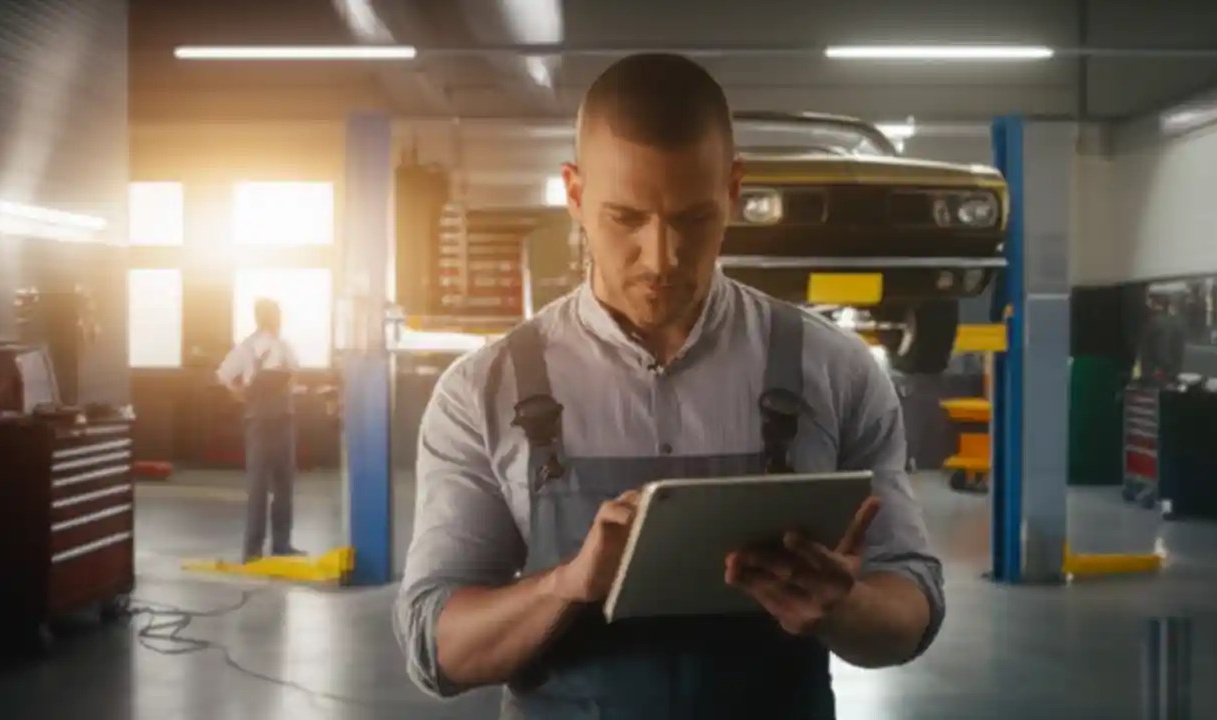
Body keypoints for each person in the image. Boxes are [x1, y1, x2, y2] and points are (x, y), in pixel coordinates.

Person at [395, 53, 943, 719]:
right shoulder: (485, 391)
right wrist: (569, 586)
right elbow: (437, 646)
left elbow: (912, 603)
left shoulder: (834, 371)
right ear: (574, 194)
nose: (662, 259)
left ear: (734, 188)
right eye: (625, 218)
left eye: (691, 219)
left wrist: (845, 607)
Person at [217, 298, 303, 562]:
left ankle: (271, 547)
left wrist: (241, 394)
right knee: (269, 486)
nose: (279, 320)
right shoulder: (252, 348)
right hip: (269, 422)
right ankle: (262, 548)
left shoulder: (272, 346)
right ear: (268, 318)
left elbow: (222, 376)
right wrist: (243, 394)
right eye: (276, 315)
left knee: (275, 485)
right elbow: (222, 375)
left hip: (271, 420)